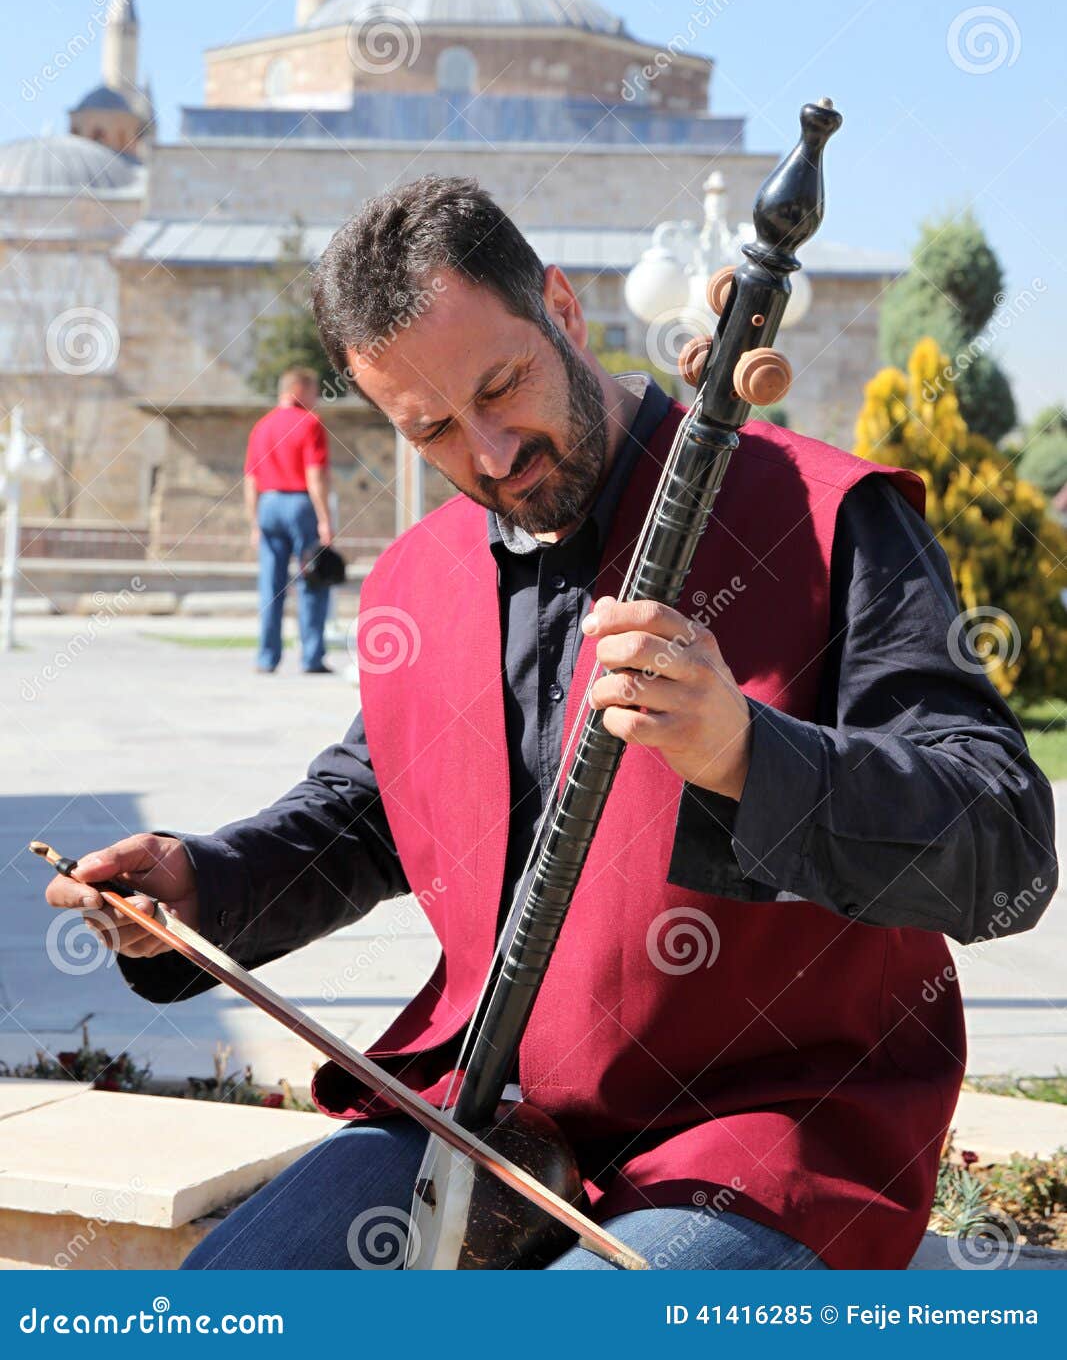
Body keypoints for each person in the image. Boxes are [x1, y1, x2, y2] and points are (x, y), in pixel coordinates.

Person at [45, 176, 1057, 1272]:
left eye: (501, 385)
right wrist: (204, 885)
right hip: (479, 1105)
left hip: (764, 1127)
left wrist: (742, 755)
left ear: (564, 311)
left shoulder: (824, 517)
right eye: (429, 428)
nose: (486, 454)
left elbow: (1000, 846)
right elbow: (371, 811)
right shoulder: (416, 584)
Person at [244, 367, 334, 674]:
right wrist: (325, 518)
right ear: (299, 389)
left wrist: (254, 522)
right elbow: (315, 475)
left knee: (270, 584)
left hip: (267, 503)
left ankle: (266, 658)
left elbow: (250, 480)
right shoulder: (311, 423)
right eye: (314, 391)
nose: (318, 398)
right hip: (299, 503)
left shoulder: (261, 426)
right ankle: (311, 657)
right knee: (312, 578)